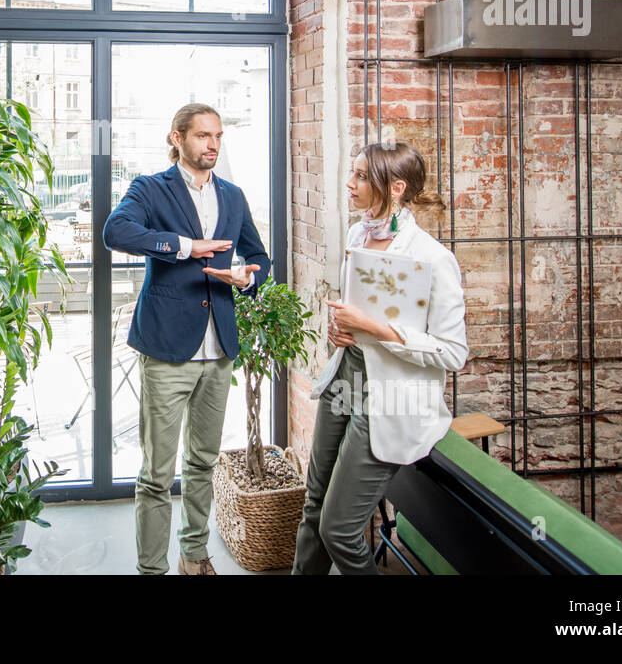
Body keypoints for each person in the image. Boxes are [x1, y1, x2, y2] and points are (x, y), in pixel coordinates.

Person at [103, 103, 272, 575]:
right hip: (166, 349)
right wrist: (185, 247)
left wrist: (247, 278)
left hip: (219, 349)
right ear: (176, 137)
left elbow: (259, 258)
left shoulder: (234, 197)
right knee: (157, 474)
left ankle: (194, 555)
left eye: (217, 135)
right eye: (202, 136)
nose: (212, 144)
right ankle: (151, 569)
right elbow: (115, 231)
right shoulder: (150, 188)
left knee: (203, 461)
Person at [291, 140, 468, 575]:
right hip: (344, 380)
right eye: (352, 173)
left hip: (389, 398)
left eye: (361, 176)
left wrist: (374, 329)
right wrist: (341, 330)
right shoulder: (358, 235)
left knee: (339, 530)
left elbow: (453, 352)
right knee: (313, 503)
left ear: (396, 187)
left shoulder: (433, 258)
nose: (349, 184)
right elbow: (357, 312)